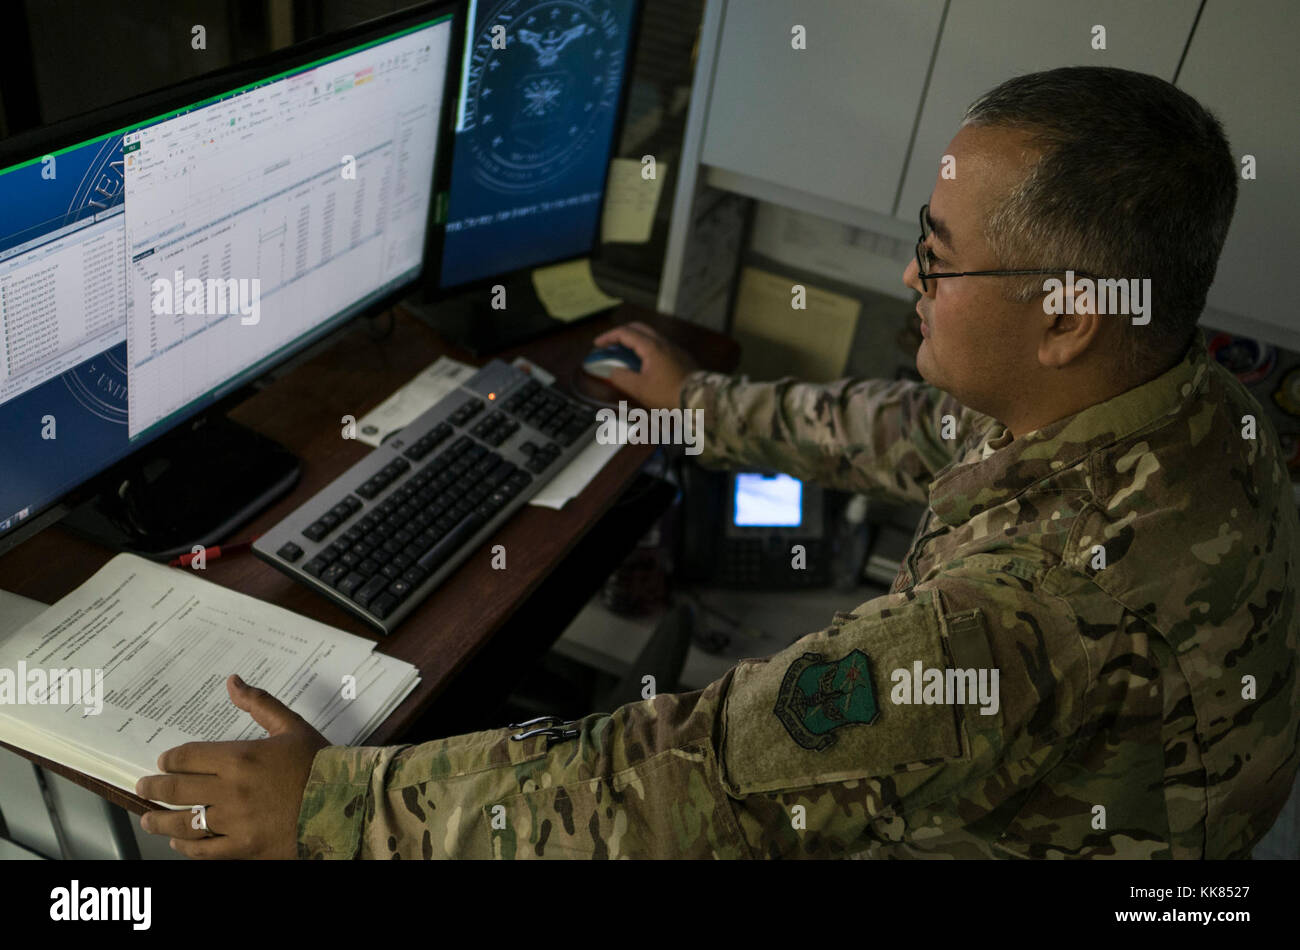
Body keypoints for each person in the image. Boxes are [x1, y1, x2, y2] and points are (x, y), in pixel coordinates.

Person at [137, 66, 1298, 859]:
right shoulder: (1196, 404)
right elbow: (921, 426)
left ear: (1067, 317)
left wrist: (335, 808)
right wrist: (700, 403)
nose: (910, 282)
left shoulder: (1020, 615)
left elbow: (681, 780)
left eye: (937, 261)